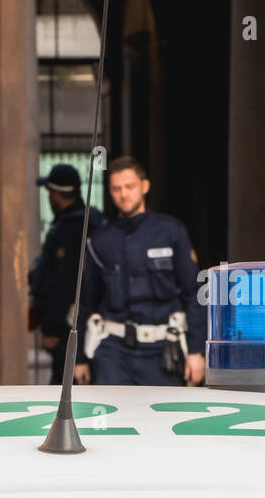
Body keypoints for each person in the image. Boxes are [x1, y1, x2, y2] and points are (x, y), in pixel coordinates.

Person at [73, 156, 206, 386]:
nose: (123, 195)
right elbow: (87, 301)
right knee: (111, 419)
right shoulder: (99, 239)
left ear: (145, 186)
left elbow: (193, 294)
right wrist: (79, 359)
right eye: (116, 189)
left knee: (164, 418)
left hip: (163, 350)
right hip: (113, 352)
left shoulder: (171, 231)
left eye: (129, 187)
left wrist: (196, 351)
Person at [28, 163, 104, 384]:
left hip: (68, 325)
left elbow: (65, 283)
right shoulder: (91, 219)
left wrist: (51, 327)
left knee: (64, 384)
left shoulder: (72, 227)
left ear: (57, 194)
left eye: (50, 193)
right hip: (86, 322)